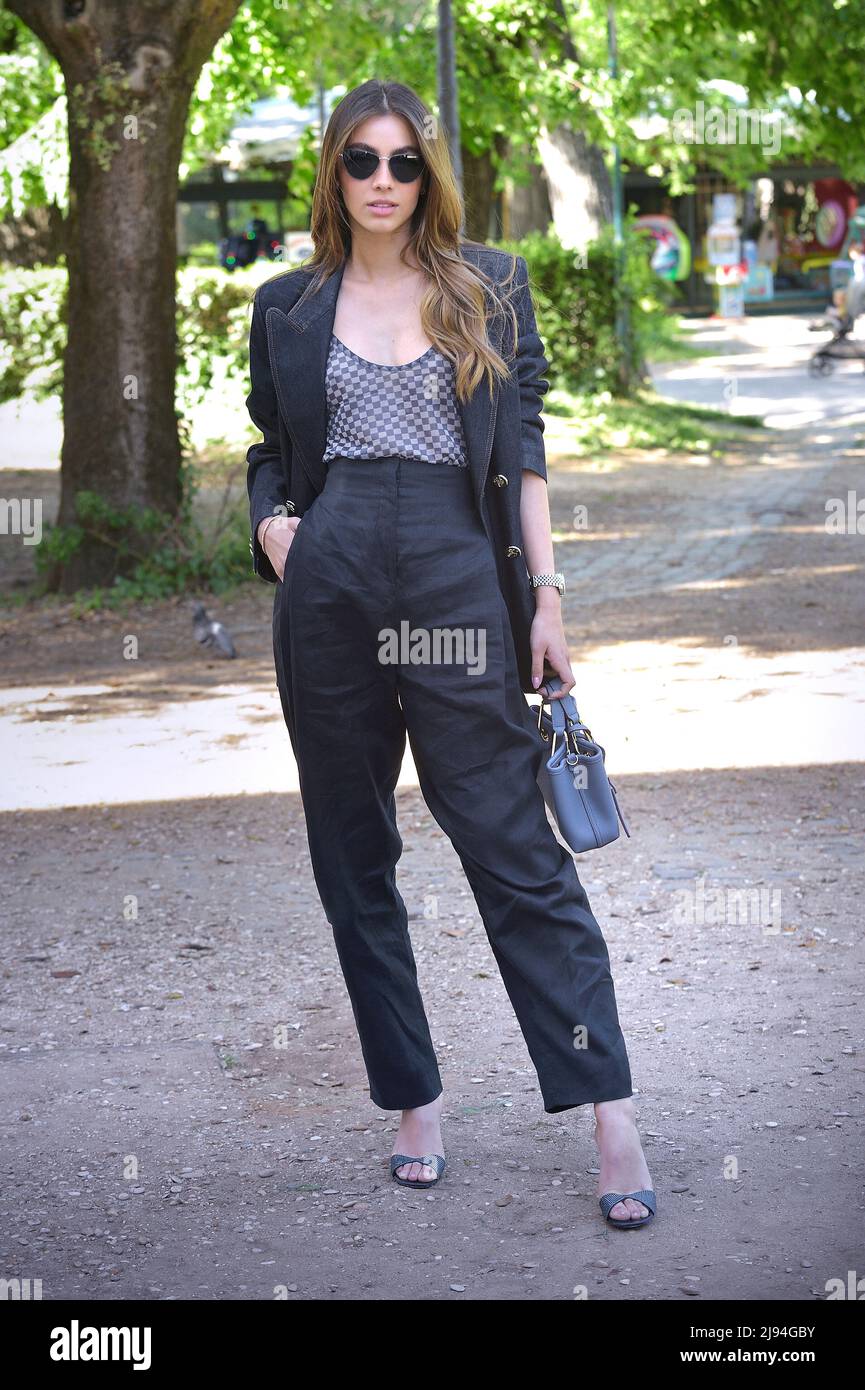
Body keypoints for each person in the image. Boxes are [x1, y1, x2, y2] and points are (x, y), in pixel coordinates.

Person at [245, 79, 655, 1228]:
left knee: (511, 846)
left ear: (431, 175)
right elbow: (266, 447)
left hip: (453, 578)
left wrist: (547, 601)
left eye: (404, 164)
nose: (383, 181)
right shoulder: (286, 303)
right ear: (333, 170)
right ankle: (412, 1096)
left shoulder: (489, 286)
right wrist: (273, 522)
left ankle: (607, 1103)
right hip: (326, 593)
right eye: (362, 162)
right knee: (352, 851)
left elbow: (523, 452)